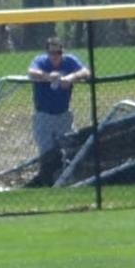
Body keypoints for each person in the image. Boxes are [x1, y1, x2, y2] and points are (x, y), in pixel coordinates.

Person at [26, 35, 90, 186]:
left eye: (58, 53)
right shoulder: (41, 61)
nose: (55, 56)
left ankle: (68, 179)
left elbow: (86, 72)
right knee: (47, 152)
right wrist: (48, 76)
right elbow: (31, 72)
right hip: (44, 115)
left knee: (70, 149)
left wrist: (71, 77)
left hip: (63, 115)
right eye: (52, 53)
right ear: (47, 53)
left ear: (63, 51)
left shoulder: (69, 61)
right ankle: (47, 182)